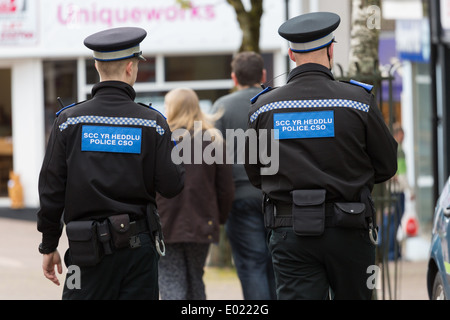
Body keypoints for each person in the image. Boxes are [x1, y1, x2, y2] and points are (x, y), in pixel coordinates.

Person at [244, 12, 398, 300]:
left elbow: (255, 173)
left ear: (291, 54)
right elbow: (387, 164)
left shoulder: (262, 108)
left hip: (289, 232)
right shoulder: (358, 101)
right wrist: (354, 177)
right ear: (330, 49)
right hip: (350, 229)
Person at [37, 27, 185, 300]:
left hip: (82, 255)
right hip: (138, 252)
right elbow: (173, 185)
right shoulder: (152, 123)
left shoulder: (68, 121)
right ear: (130, 67)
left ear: (96, 65)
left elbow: (50, 189)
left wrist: (48, 245)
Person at [156, 88, 234, 300]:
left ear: (171, 109)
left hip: (165, 223)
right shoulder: (214, 141)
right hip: (202, 222)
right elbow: (226, 188)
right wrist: (219, 218)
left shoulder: (160, 141)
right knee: (195, 280)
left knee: (171, 281)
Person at [211, 51, 276, 300]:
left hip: (239, 196)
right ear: (263, 75)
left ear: (233, 77)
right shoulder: (274, 102)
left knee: (251, 265)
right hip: (276, 196)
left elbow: (213, 157)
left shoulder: (221, 107)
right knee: (277, 263)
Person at [383, 122, 415, 260]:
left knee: (391, 222)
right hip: (397, 192)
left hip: (390, 191)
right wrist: (410, 190)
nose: (404, 137)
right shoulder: (399, 150)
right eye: (403, 134)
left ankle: (392, 252)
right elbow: (401, 174)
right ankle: (392, 253)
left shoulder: (388, 149)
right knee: (394, 223)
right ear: (398, 134)